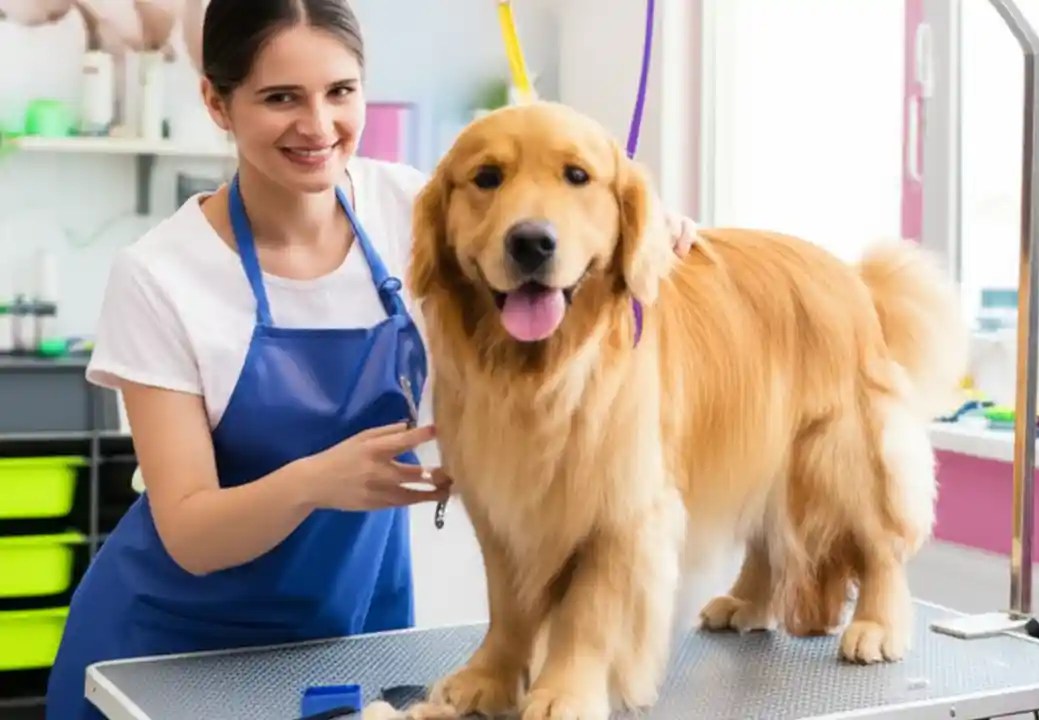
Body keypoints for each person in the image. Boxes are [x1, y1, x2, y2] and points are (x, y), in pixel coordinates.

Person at [43, 0, 700, 717]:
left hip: (352, 632)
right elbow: (191, 533)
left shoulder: (410, 208)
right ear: (216, 102)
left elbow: (546, 255)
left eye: (340, 92)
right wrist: (316, 482)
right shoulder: (161, 276)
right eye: (280, 98)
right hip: (171, 652)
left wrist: (643, 223)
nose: (318, 126)